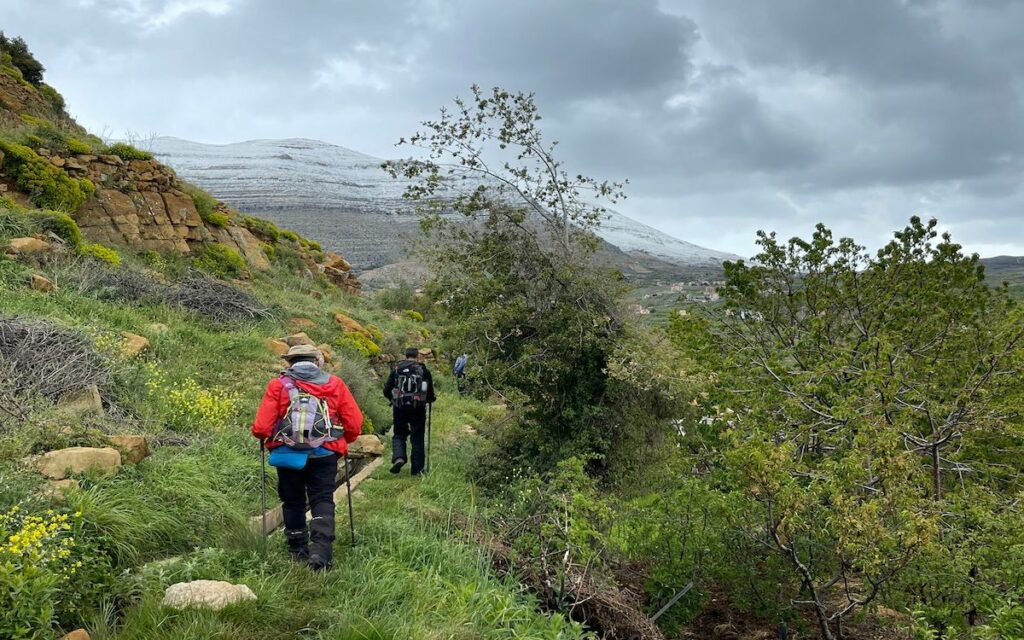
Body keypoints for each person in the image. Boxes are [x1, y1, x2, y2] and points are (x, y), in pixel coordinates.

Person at [251, 344, 362, 571]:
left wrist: (267, 437)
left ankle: (297, 549)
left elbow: (261, 427)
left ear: (290, 362)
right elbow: (354, 424)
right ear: (316, 361)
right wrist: (343, 441)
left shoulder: (278, 385)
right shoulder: (334, 384)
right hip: (325, 453)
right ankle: (321, 552)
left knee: (292, 500)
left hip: (288, 455)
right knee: (322, 498)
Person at [383, 347, 435, 476]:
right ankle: (417, 470)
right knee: (417, 437)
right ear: (417, 356)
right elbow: (429, 391)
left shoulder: (397, 369)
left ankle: (399, 457)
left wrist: (393, 399)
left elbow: (386, 389)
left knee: (399, 434)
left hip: (399, 408)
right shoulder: (423, 369)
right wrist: (429, 400)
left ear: (405, 355)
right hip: (418, 408)